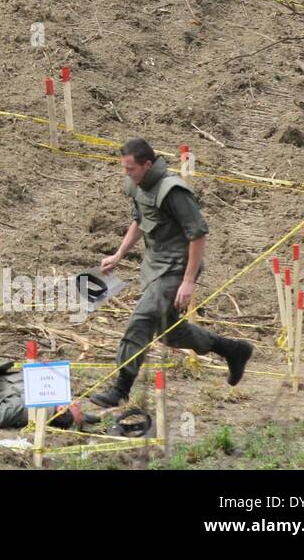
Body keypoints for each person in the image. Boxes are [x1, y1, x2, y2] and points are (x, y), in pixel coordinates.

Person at [89, 138, 251, 407]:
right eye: (125, 169)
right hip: (155, 264)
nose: (126, 174)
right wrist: (119, 254)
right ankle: (233, 350)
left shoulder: (173, 190)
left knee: (141, 319)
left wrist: (188, 281)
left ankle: (120, 389)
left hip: (178, 266)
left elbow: (198, 234)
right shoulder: (137, 184)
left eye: (131, 169)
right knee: (169, 332)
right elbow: (140, 220)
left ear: (148, 164)